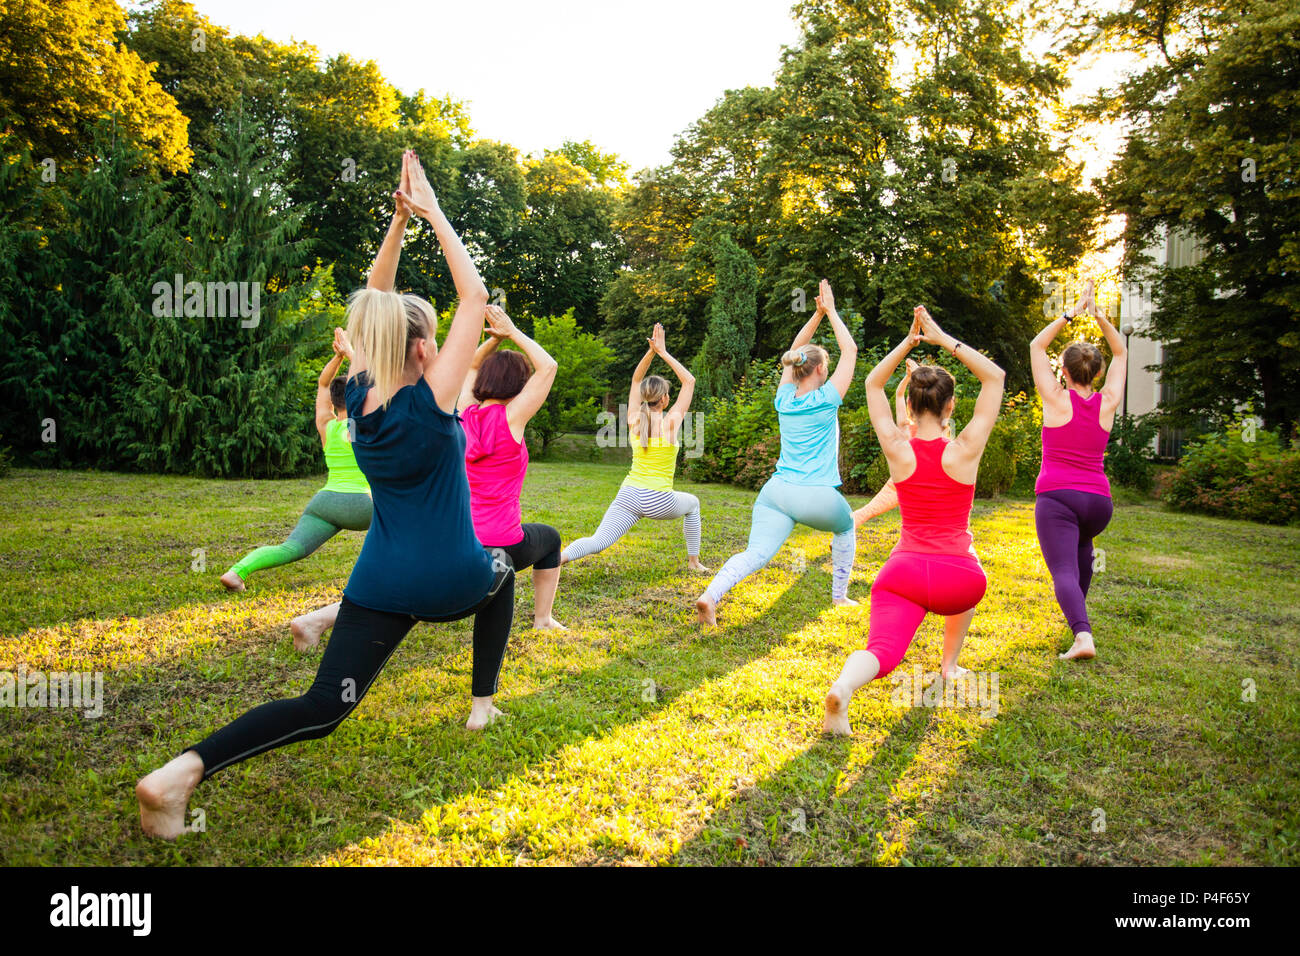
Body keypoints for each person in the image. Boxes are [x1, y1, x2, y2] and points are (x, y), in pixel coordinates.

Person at [137, 150, 511, 839]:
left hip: (377, 581)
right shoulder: (431, 403)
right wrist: (431, 214)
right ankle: (482, 700)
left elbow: (375, 298)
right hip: (452, 580)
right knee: (505, 567)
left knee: (323, 707)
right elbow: (476, 300)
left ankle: (177, 775)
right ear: (425, 351)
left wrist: (398, 226)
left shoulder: (362, 399)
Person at [289, 303, 565, 645]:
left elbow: (472, 365)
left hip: (457, 539)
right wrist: (511, 333)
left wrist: (492, 342)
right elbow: (548, 366)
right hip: (498, 543)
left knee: (407, 589)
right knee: (549, 540)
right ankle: (543, 619)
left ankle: (318, 618)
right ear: (518, 386)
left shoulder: (462, 411)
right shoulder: (512, 419)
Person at [823, 306, 1005, 735]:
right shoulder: (965, 449)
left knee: (883, 650)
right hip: (958, 580)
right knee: (968, 556)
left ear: (908, 403)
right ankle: (950, 664)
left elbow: (872, 383)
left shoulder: (896, 447)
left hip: (901, 572)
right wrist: (942, 339)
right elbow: (994, 377)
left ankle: (844, 686)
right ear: (952, 405)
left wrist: (908, 342)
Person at [696, 279, 859, 626]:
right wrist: (829, 311)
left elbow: (794, 349)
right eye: (824, 366)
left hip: (776, 493)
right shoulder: (827, 399)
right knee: (845, 529)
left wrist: (815, 316)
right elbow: (851, 351)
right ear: (819, 370)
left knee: (756, 552)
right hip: (816, 495)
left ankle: (710, 595)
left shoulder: (784, 399)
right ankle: (839, 595)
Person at [218, 330, 371, 591]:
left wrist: (336, 358)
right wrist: (349, 354)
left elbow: (324, 385)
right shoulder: (361, 423)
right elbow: (368, 382)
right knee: (411, 521)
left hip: (326, 501)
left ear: (335, 403)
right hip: (364, 504)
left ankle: (237, 572)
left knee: (290, 547)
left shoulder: (327, 426)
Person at [560, 323, 707, 571]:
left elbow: (637, 378)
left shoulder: (633, 419)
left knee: (598, 541)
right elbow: (689, 381)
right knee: (692, 504)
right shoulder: (671, 422)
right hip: (659, 499)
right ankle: (694, 562)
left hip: (629, 495)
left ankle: (556, 560)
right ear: (665, 399)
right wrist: (662, 352)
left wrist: (650, 352)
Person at [1030, 278, 1125, 662]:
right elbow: (1121, 353)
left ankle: (1083, 635)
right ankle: (1077, 622)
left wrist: (1070, 312)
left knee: (1064, 570)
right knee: (1083, 551)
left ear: (1063, 372)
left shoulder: (1054, 399)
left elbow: (1036, 345)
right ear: (1097, 374)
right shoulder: (1108, 401)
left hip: (1058, 497)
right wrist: (1100, 316)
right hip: (1098, 503)